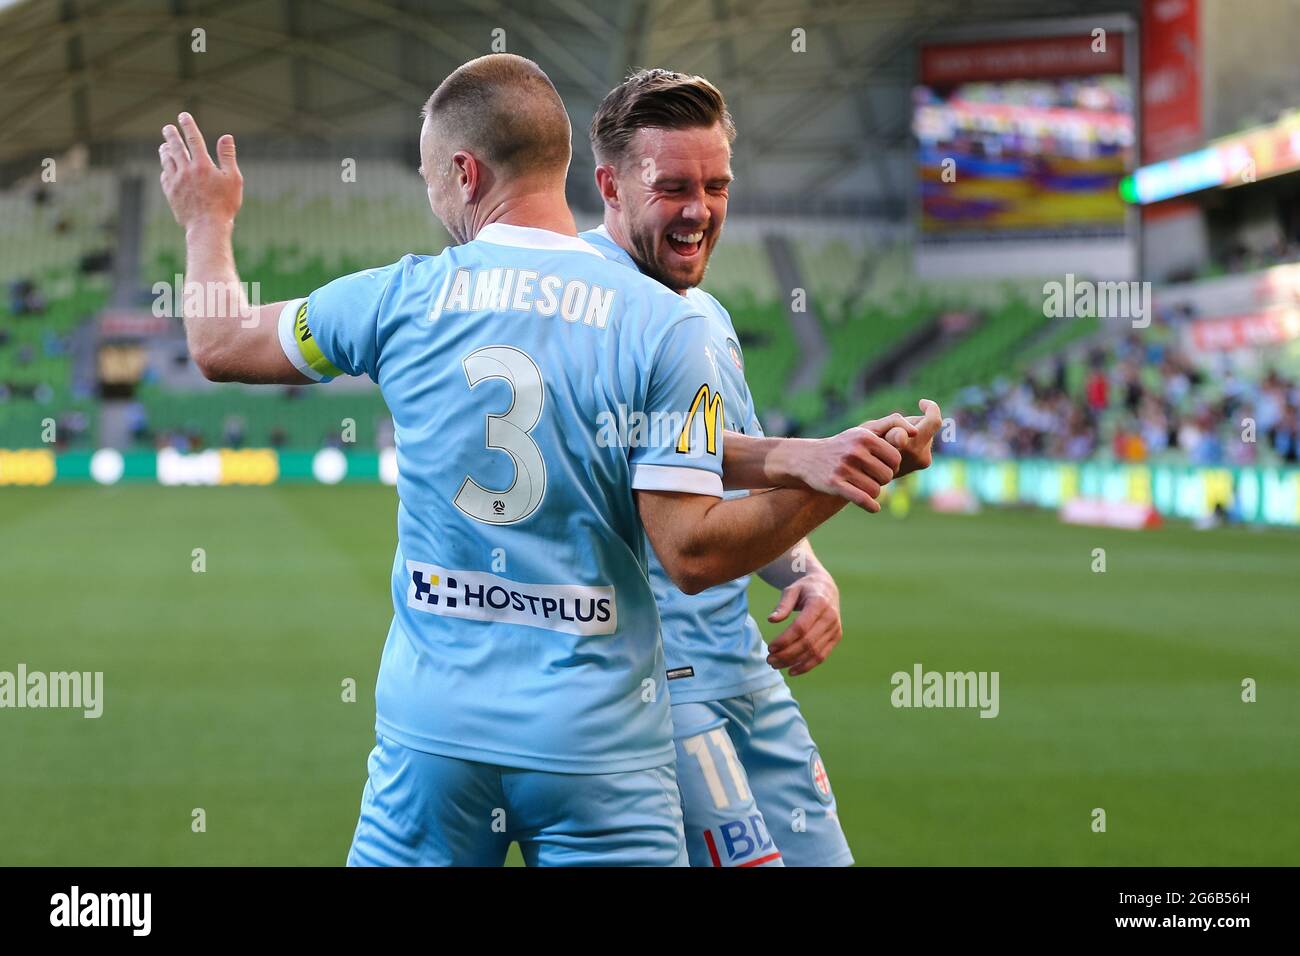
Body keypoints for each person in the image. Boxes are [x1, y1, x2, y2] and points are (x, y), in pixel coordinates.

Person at [158, 54, 903, 866]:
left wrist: (207, 220)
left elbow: (220, 340)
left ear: (463, 172)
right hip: (598, 746)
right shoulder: (664, 321)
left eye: (428, 174)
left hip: (432, 740)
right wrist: (828, 474)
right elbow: (691, 549)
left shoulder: (397, 297)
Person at [583, 68, 942, 866]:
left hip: (745, 673)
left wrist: (808, 576)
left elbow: (736, 477)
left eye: (717, 185)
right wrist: (858, 474)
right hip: (658, 693)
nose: (700, 211)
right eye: (674, 186)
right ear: (608, 184)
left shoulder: (704, 313)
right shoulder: (578, 307)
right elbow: (693, 553)